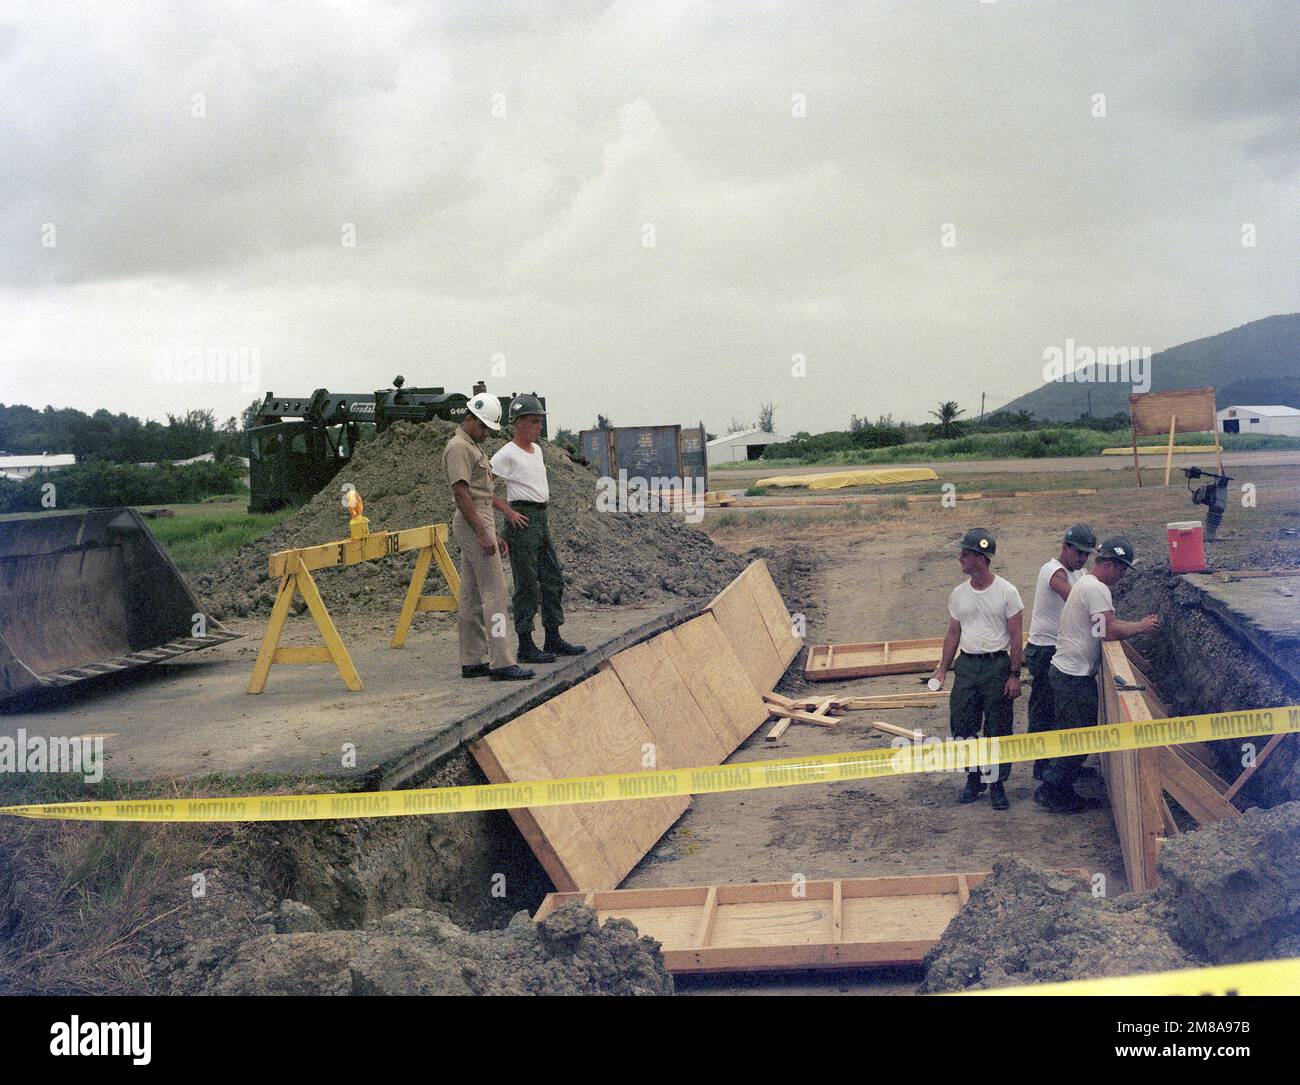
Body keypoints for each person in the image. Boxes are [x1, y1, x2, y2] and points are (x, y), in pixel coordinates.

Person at [1036, 536, 1161, 813]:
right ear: (1112, 565)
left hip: (1068, 672)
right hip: (1073, 677)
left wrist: (1135, 625)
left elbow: (1106, 625)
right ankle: (1052, 789)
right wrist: (1141, 627)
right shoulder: (1097, 590)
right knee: (1082, 737)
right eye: (1123, 568)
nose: (1123, 575)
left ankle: (1057, 784)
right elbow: (1107, 630)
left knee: (1073, 734)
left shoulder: (1086, 584)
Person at [930, 528, 1024, 811]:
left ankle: (996, 784)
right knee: (962, 723)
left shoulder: (1007, 592)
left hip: (996, 666)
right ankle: (973, 779)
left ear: (981, 559)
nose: (960, 558)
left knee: (997, 727)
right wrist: (942, 669)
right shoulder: (959, 594)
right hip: (968, 666)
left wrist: (1014, 675)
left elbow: (1017, 636)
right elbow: (953, 633)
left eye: (966, 554)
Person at [443, 393, 534, 682]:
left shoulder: (469, 445)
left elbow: (479, 494)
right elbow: (461, 494)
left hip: (478, 518)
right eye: (483, 427)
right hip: (473, 520)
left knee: (470, 594)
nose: (485, 434)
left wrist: (490, 530)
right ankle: (502, 661)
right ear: (469, 418)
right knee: (495, 592)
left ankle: (471, 660)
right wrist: (484, 534)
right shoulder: (459, 447)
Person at [490, 394, 585, 665]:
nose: (538, 427)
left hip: (540, 520)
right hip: (522, 521)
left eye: (540, 421)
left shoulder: (538, 450)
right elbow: (483, 488)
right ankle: (526, 643)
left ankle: (553, 635)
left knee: (552, 577)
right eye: (533, 421)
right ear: (518, 423)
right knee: (527, 583)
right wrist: (507, 511)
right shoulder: (506, 454)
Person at [1024, 523, 1096, 779]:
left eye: (1087, 554)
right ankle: (1042, 765)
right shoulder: (1053, 571)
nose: (1083, 558)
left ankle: (1057, 763)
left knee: (1059, 709)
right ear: (1065, 547)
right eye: (1079, 553)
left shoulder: (1080, 572)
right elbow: (1076, 600)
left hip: (1059, 648)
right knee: (1045, 707)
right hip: (1045, 649)